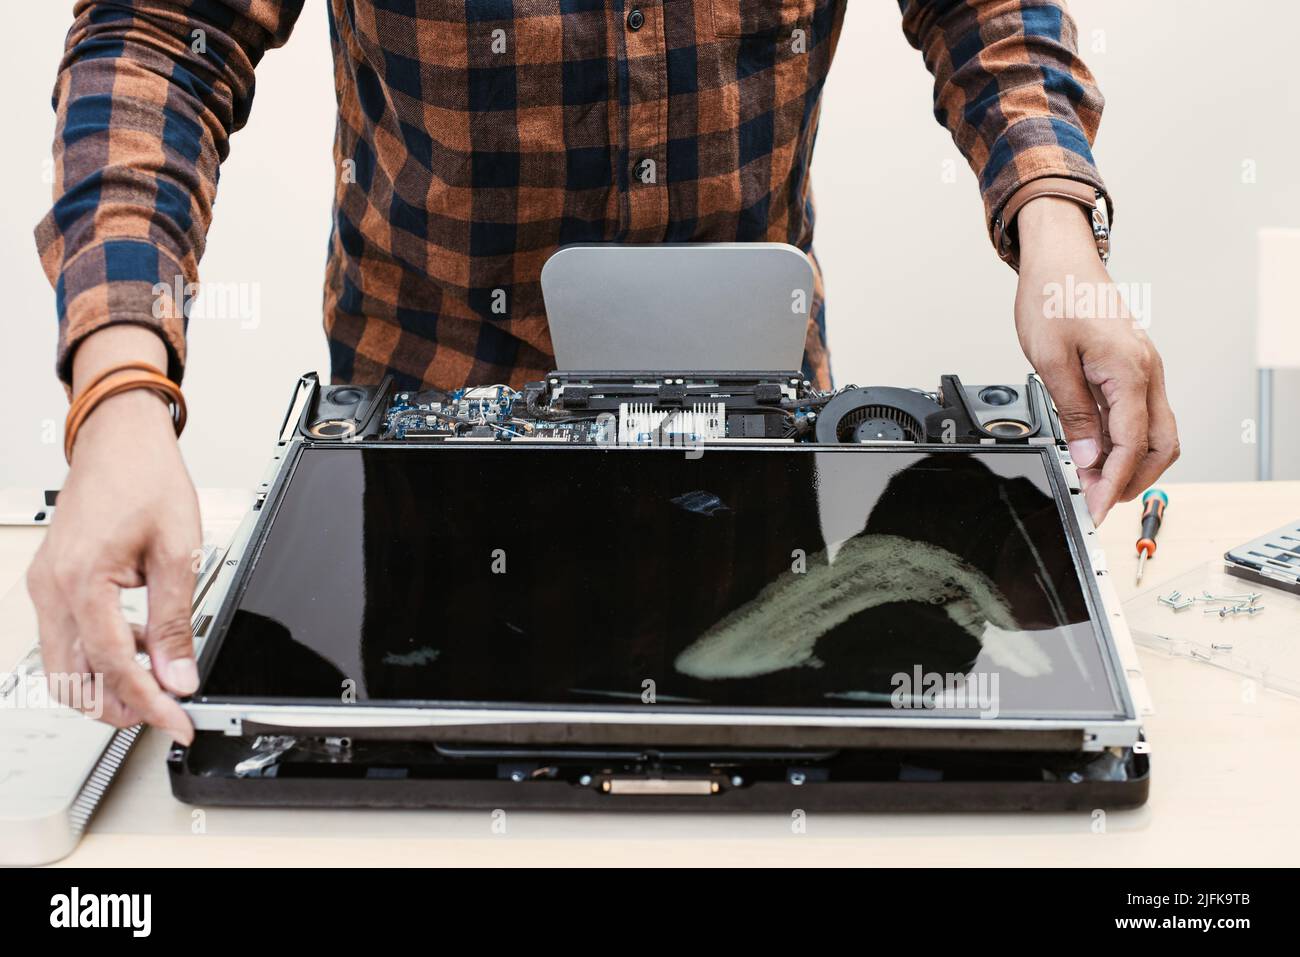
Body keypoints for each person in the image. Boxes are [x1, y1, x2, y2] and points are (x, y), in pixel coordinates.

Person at [27, 1, 1178, 742]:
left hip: (750, 479)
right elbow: (160, 36)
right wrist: (119, 393)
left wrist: (1057, 238)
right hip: (426, 487)